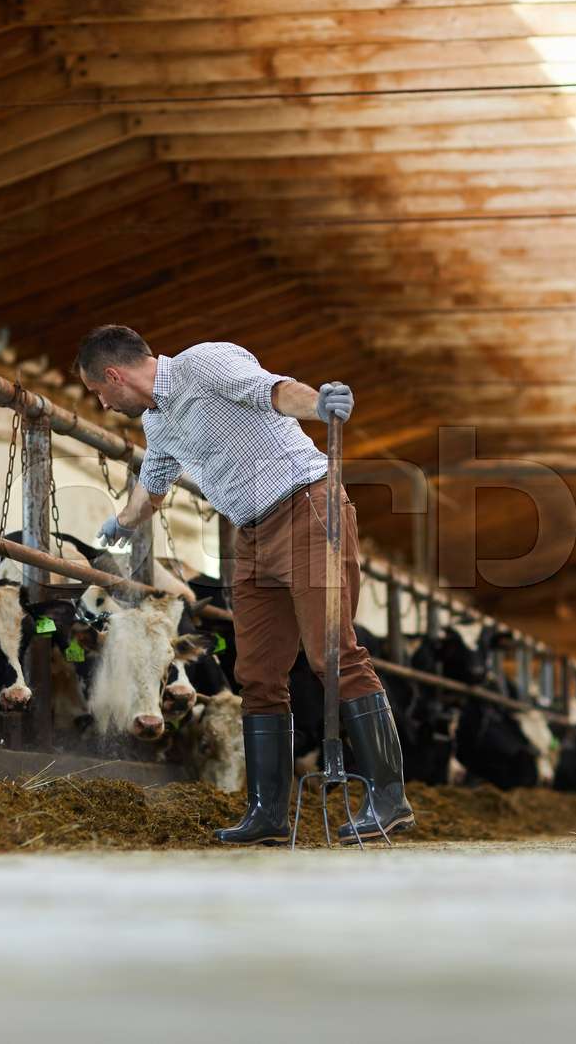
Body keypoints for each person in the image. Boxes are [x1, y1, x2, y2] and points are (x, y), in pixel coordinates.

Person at [73, 325, 414, 845]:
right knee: (256, 673)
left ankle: (389, 797)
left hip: (306, 508)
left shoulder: (203, 364)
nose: (102, 403)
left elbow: (272, 390)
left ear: (115, 376)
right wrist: (123, 521)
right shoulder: (160, 426)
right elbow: (152, 488)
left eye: (99, 392)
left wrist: (319, 403)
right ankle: (267, 812)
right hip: (250, 536)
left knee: (331, 654)